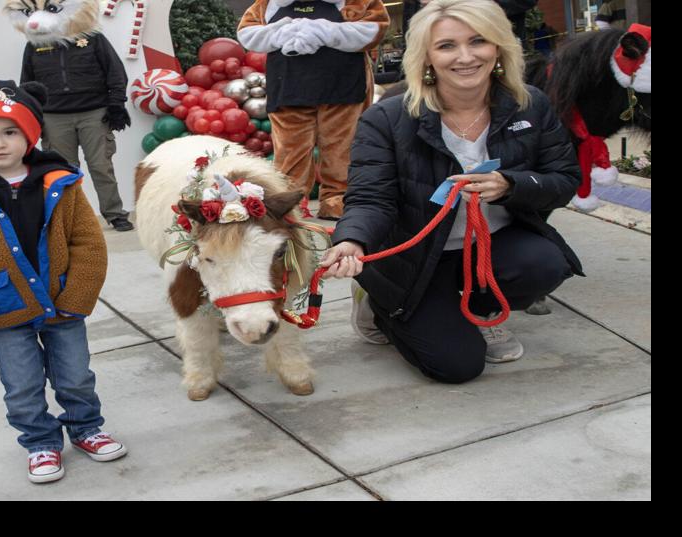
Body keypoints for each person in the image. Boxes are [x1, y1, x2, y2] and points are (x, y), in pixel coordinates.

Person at [320, 0, 583, 381]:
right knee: (456, 367)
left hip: (490, 247)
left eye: (478, 41)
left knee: (544, 264)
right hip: (416, 255)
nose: (465, 57)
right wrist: (353, 241)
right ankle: (380, 302)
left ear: (498, 47)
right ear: (426, 56)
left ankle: (482, 309)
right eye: (446, 46)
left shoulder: (529, 104)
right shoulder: (387, 117)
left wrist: (511, 185)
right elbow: (370, 197)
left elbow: (563, 180)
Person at [0, 79, 125, 484]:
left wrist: (79, 295)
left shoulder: (62, 183)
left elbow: (88, 243)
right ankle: (39, 442)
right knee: (21, 384)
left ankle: (85, 427)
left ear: (31, 134)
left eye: (10, 132)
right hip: (4, 307)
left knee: (76, 374)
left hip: (62, 301)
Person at [237, 0, 391, 220]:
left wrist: (324, 31)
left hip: (342, 86)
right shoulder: (268, 4)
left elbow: (375, 28)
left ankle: (338, 198)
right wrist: (285, 31)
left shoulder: (356, 2)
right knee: (291, 149)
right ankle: (290, 201)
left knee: (341, 147)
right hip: (289, 86)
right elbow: (247, 33)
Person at [10, 0, 135, 232]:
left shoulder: (93, 38)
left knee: (101, 166)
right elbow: (27, 84)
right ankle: (69, 219)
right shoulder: (34, 45)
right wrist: (32, 116)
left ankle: (115, 214)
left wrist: (116, 104)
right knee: (62, 172)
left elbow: (116, 72)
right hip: (54, 117)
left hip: (94, 113)